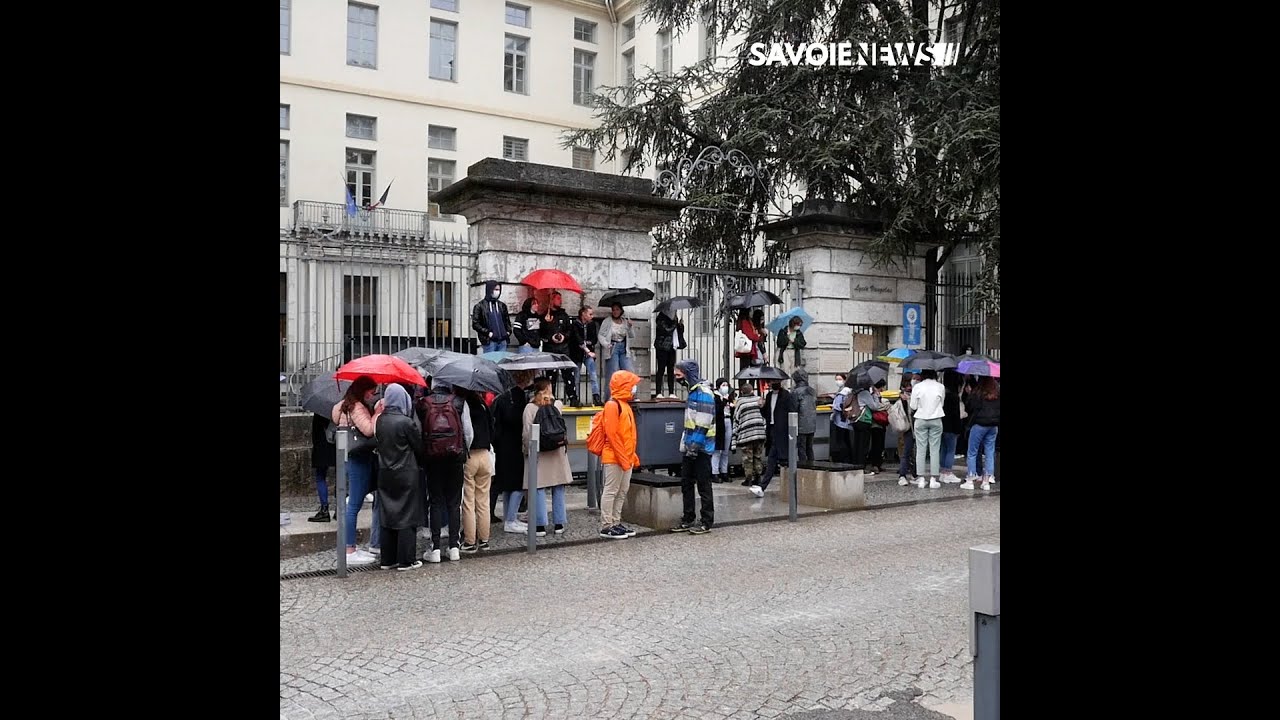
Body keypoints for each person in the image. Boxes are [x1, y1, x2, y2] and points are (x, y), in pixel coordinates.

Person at [372, 384, 426, 571]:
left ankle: (388, 559)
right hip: (406, 473)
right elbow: (419, 447)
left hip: (385, 472)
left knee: (388, 515)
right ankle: (406, 559)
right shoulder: (406, 422)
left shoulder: (380, 420)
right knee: (407, 515)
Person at [331, 375, 381, 565]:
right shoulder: (357, 407)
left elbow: (335, 418)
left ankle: (349, 547)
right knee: (354, 504)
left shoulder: (341, 405)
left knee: (351, 502)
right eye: (371, 391)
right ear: (363, 390)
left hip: (348, 455)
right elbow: (369, 430)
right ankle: (349, 549)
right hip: (359, 457)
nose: (373, 395)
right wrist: (377, 412)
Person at [422, 378, 473, 562]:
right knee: (454, 503)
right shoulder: (459, 402)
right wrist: (462, 450)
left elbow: (420, 430)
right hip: (455, 458)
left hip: (433, 459)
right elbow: (468, 432)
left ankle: (435, 547)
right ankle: (454, 547)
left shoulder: (424, 404)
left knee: (435, 502)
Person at [522, 377, 573, 536]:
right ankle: (559, 524)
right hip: (556, 453)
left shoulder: (529, 409)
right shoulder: (557, 406)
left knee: (538, 488)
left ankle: (540, 526)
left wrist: (526, 451)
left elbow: (526, 434)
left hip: (538, 453)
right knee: (558, 487)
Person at [671, 360, 715, 534]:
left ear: (688, 374)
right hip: (692, 445)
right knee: (686, 483)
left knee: (703, 484)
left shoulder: (703, 393)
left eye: (678, 375)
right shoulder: (693, 392)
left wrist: (693, 447)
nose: (676, 379)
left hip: (701, 447)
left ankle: (706, 521)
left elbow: (703, 423)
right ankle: (688, 517)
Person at [597, 370, 641, 539]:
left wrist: (631, 456)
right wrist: (624, 458)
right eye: (631, 385)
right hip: (615, 457)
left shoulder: (624, 405)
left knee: (621, 491)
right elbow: (613, 435)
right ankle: (607, 525)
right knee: (611, 490)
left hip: (624, 457)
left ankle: (615, 521)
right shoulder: (612, 405)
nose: (634, 388)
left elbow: (628, 435)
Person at [491, 370, 534, 532]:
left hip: (502, 447)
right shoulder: (521, 399)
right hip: (515, 446)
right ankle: (510, 519)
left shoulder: (502, 398)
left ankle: (510, 517)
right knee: (517, 484)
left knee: (508, 485)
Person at [459, 387, 494, 553]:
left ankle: (470, 541)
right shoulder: (482, 405)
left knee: (468, 501)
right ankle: (484, 540)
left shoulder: (463, 406)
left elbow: (465, 432)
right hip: (486, 455)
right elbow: (492, 429)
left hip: (471, 455)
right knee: (483, 500)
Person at [753, 378, 795, 497]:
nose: (771, 384)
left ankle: (763, 487)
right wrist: (761, 406)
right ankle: (763, 487)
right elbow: (767, 414)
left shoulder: (787, 395)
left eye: (774, 382)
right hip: (772, 430)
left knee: (776, 459)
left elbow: (792, 412)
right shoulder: (769, 395)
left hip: (783, 431)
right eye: (770, 382)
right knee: (775, 460)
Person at [909, 369, 946, 489]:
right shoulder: (940, 387)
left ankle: (921, 479)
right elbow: (942, 404)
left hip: (920, 418)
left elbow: (913, 406)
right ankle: (933, 479)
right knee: (935, 449)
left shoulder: (918, 387)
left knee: (920, 449)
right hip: (936, 419)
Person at [961, 377, 1000, 491]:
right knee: (989, 452)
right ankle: (986, 481)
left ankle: (970, 479)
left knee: (972, 452)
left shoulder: (977, 394)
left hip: (978, 425)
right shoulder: (997, 394)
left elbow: (969, 407)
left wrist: (969, 394)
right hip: (993, 426)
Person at [539, 291, 577, 403]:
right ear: (551, 300)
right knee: (551, 377)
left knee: (568, 374)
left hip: (563, 349)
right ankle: (551, 398)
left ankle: (573, 398)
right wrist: (550, 336)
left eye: (560, 299)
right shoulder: (545, 315)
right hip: (550, 350)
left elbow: (570, 331)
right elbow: (541, 334)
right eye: (558, 299)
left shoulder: (564, 315)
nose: (560, 301)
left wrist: (563, 336)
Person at [732, 380, 768, 488]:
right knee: (758, 456)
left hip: (746, 434)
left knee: (748, 458)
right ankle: (758, 476)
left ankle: (748, 479)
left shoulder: (740, 402)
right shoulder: (759, 400)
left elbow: (736, 419)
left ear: (742, 392)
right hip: (759, 433)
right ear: (752, 390)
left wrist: (734, 439)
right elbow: (764, 416)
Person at [597, 303, 635, 402]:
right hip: (612, 347)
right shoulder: (607, 321)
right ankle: (609, 398)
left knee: (629, 371)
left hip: (623, 348)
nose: (615, 312)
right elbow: (601, 335)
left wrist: (630, 326)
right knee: (612, 373)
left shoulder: (625, 321)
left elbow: (632, 335)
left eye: (617, 309)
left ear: (621, 311)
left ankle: (630, 396)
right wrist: (606, 344)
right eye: (613, 309)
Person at [568, 306, 602, 406]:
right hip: (577, 354)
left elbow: (594, 339)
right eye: (590, 314)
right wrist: (586, 347)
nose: (592, 316)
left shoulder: (592, 325)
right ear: (583, 314)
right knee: (576, 377)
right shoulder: (575, 324)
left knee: (593, 375)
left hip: (588, 353)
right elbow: (577, 340)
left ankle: (596, 397)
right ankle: (576, 398)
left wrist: (587, 343)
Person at [307, 413, 336, 522]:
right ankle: (339, 509)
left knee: (320, 477)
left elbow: (315, 432)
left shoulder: (319, 409)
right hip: (337, 443)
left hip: (321, 445)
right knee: (340, 476)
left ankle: (324, 510)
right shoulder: (339, 406)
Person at [471, 280, 511, 354]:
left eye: (499, 290)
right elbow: (475, 324)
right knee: (489, 363)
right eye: (495, 289)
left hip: (502, 341)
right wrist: (488, 333)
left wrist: (508, 332)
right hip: (489, 342)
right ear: (490, 290)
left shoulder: (502, 305)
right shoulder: (480, 306)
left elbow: (507, 320)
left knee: (502, 364)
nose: (497, 292)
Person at [652, 311, 686, 400]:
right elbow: (667, 330)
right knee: (661, 369)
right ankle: (658, 392)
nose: (674, 313)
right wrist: (674, 323)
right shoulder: (661, 318)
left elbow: (678, 333)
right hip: (662, 347)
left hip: (672, 346)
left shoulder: (674, 320)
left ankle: (671, 392)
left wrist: (680, 325)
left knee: (671, 369)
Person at [939, 370, 964, 483]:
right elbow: (956, 415)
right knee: (951, 450)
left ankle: (942, 472)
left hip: (942, 425)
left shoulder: (943, 393)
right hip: (952, 427)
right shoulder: (954, 397)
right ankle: (948, 472)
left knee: (944, 449)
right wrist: (959, 429)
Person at [791, 369, 817, 464]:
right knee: (809, 448)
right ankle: (812, 465)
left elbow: (793, 408)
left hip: (801, 424)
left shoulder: (796, 392)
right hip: (812, 423)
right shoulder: (812, 391)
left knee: (801, 448)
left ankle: (804, 467)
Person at [711, 378, 734, 482]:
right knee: (717, 450)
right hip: (719, 423)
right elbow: (717, 409)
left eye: (726, 385)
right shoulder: (715, 397)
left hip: (728, 421)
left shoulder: (729, 397)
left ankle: (724, 471)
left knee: (725, 450)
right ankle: (715, 472)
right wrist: (724, 401)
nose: (725, 387)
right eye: (723, 385)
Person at [896, 375, 917, 485]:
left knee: (916, 452)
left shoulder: (916, 392)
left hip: (916, 426)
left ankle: (915, 474)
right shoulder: (902, 396)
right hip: (908, 426)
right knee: (907, 451)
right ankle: (902, 475)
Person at [829, 374, 853, 464]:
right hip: (844, 420)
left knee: (841, 441)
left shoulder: (844, 391)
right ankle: (847, 458)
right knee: (846, 440)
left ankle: (843, 459)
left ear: (844, 380)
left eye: (840, 379)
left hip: (840, 420)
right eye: (836, 379)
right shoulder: (844, 391)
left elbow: (840, 406)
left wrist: (834, 407)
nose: (838, 381)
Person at [735, 309, 764, 373]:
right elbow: (750, 335)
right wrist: (758, 337)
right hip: (747, 350)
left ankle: (746, 383)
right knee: (747, 370)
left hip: (747, 349)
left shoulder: (743, 321)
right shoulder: (745, 321)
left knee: (745, 369)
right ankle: (746, 383)